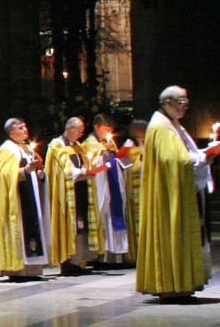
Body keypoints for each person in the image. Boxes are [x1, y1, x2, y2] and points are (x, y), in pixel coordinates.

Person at [138, 86, 219, 303]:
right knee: (172, 232)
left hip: (178, 191)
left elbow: (182, 155)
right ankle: (171, 286)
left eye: (186, 101)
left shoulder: (172, 125)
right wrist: (201, 158)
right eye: (181, 101)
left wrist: (202, 155)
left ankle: (182, 285)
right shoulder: (160, 128)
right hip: (168, 196)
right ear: (168, 103)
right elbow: (170, 161)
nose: (185, 106)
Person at [0, 118, 50, 280]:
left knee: (33, 229)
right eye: (21, 128)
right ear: (11, 132)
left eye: (25, 126)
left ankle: (33, 269)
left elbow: (35, 172)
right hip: (17, 200)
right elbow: (4, 175)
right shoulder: (6, 150)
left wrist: (40, 173)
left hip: (31, 197)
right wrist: (24, 170)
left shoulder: (27, 148)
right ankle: (18, 270)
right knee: (21, 231)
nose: (25, 130)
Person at [46, 117, 99, 275]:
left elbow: (84, 164)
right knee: (69, 226)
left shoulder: (78, 146)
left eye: (82, 131)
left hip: (80, 190)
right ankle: (67, 262)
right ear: (69, 128)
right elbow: (61, 170)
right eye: (79, 131)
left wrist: (88, 171)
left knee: (81, 226)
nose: (81, 134)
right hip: (65, 194)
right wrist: (80, 173)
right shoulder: (56, 146)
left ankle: (79, 261)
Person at [84, 114, 130, 266]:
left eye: (110, 129)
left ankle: (116, 256)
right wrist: (100, 158)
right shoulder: (88, 144)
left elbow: (117, 159)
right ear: (96, 127)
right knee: (103, 217)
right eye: (106, 128)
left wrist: (119, 156)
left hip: (114, 184)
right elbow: (89, 165)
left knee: (115, 215)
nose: (109, 131)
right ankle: (102, 256)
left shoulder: (110, 142)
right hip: (100, 187)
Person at [123, 119, 148, 263]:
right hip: (135, 191)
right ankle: (138, 252)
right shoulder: (131, 149)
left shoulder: (152, 146)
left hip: (148, 190)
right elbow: (128, 168)